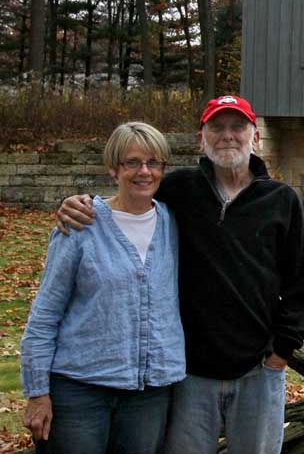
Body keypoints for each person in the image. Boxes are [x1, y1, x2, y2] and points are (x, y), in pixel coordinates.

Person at [56, 95, 304, 454]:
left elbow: (298, 284)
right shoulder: (178, 189)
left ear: (254, 136)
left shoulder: (282, 200)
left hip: (259, 370)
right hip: (190, 373)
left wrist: (281, 351)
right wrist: (79, 202)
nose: (228, 135)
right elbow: (130, 191)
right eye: (216, 127)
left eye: (238, 127)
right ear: (201, 138)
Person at [22, 122, 185, 453]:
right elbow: (45, 312)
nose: (144, 172)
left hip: (147, 392)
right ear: (112, 168)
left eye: (154, 163)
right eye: (132, 162)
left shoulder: (176, 223)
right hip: (80, 389)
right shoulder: (81, 225)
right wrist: (37, 391)